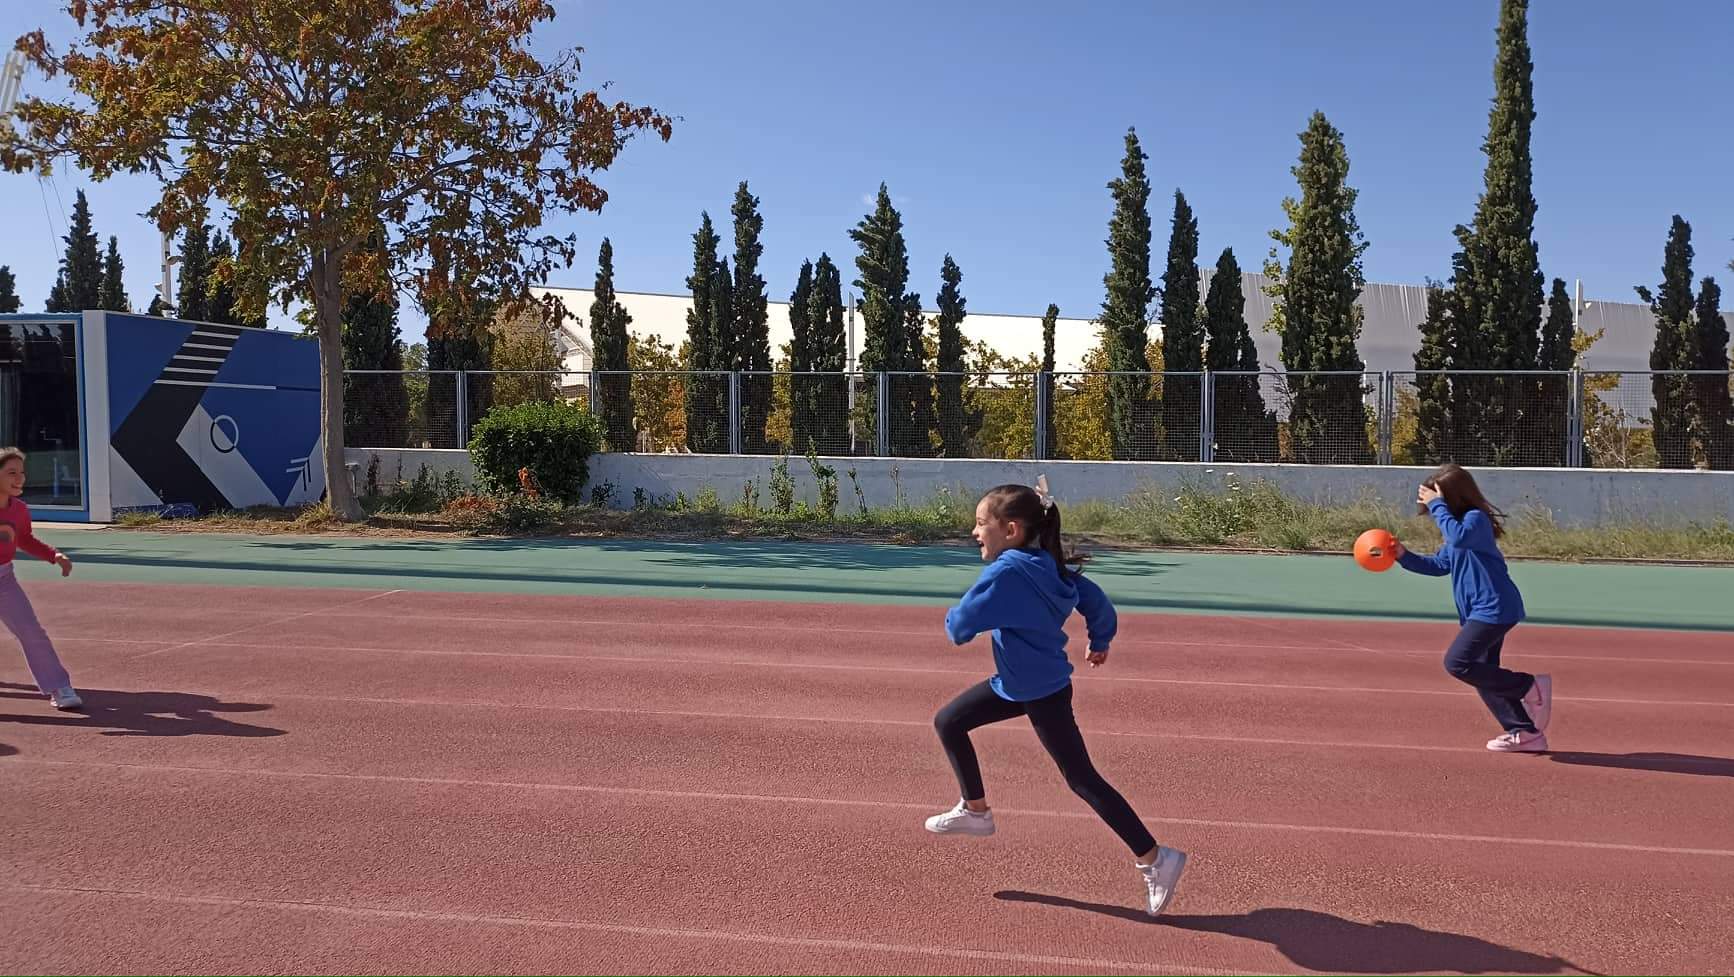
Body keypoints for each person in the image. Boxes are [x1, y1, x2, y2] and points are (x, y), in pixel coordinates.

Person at [926, 476, 1186, 916]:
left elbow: (959, 627)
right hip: (1017, 686)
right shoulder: (1047, 565)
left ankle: (1156, 859)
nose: (974, 532)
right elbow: (1094, 598)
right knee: (949, 720)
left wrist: (960, 618)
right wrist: (1100, 639)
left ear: (1010, 530)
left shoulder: (1007, 572)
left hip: (1041, 692)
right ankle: (976, 811)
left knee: (1082, 779)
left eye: (980, 523)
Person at [1394, 464, 1551, 752]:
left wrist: (1437, 504)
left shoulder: (1474, 521)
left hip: (1494, 607)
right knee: (1481, 671)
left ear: (1451, 497)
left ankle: (1529, 686)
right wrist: (1403, 556)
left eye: (1434, 504)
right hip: (1483, 610)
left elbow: (1459, 538)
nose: (1431, 512)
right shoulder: (1456, 529)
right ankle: (1525, 733)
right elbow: (1439, 565)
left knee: (1458, 663)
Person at [0, 447, 81, 710]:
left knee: (32, 631)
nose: (19, 479)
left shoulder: (19, 509)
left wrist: (53, 555)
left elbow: (24, 538)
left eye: (21, 473)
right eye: (11, 473)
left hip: (3, 579)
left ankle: (59, 687)